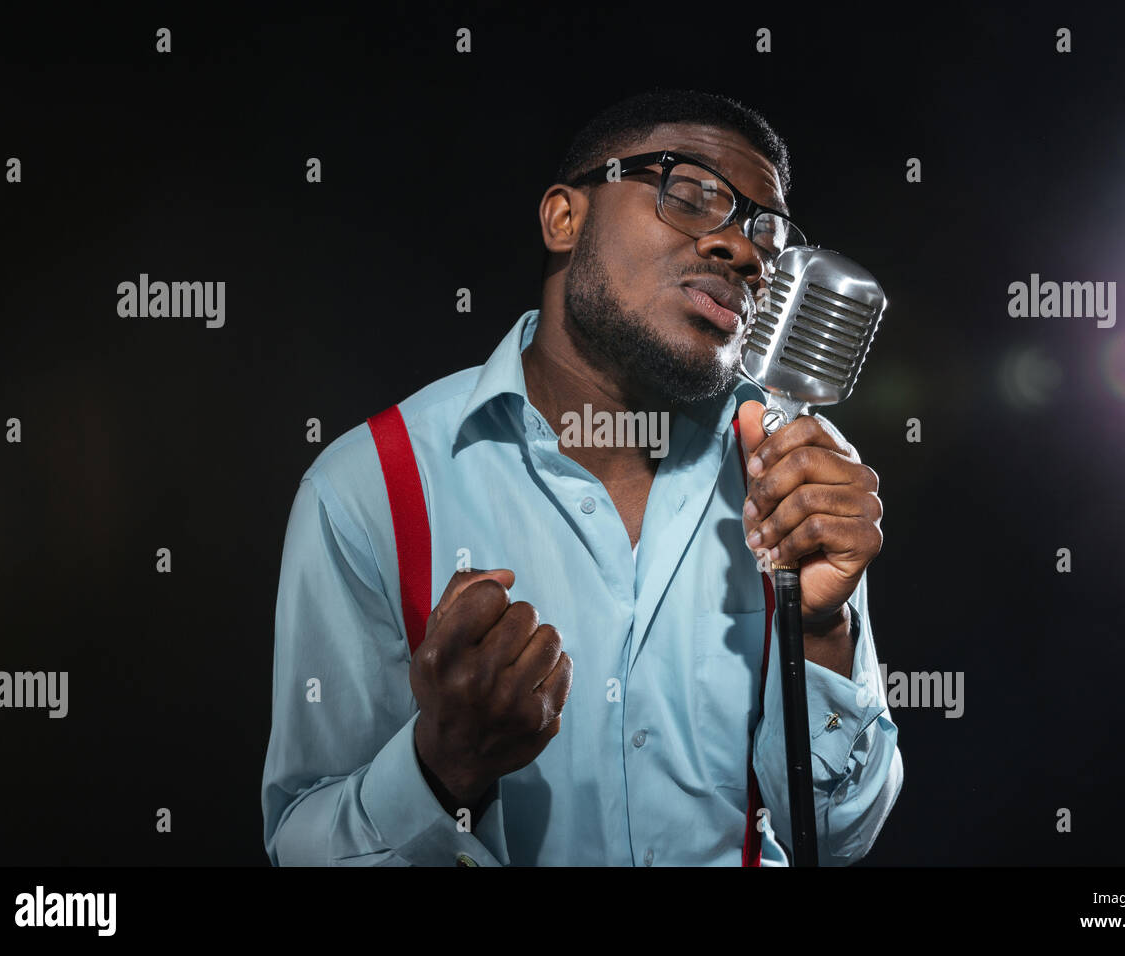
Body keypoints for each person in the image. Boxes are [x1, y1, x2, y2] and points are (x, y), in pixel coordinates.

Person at [261, 88, 903, 866]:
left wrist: (823, 632)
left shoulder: (793, 466)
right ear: (565, 218)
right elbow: (300, 843)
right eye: (693, 194)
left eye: (764, 233)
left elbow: (834, 840)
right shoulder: (369, 485)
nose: (743, 251)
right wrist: (442, 769)